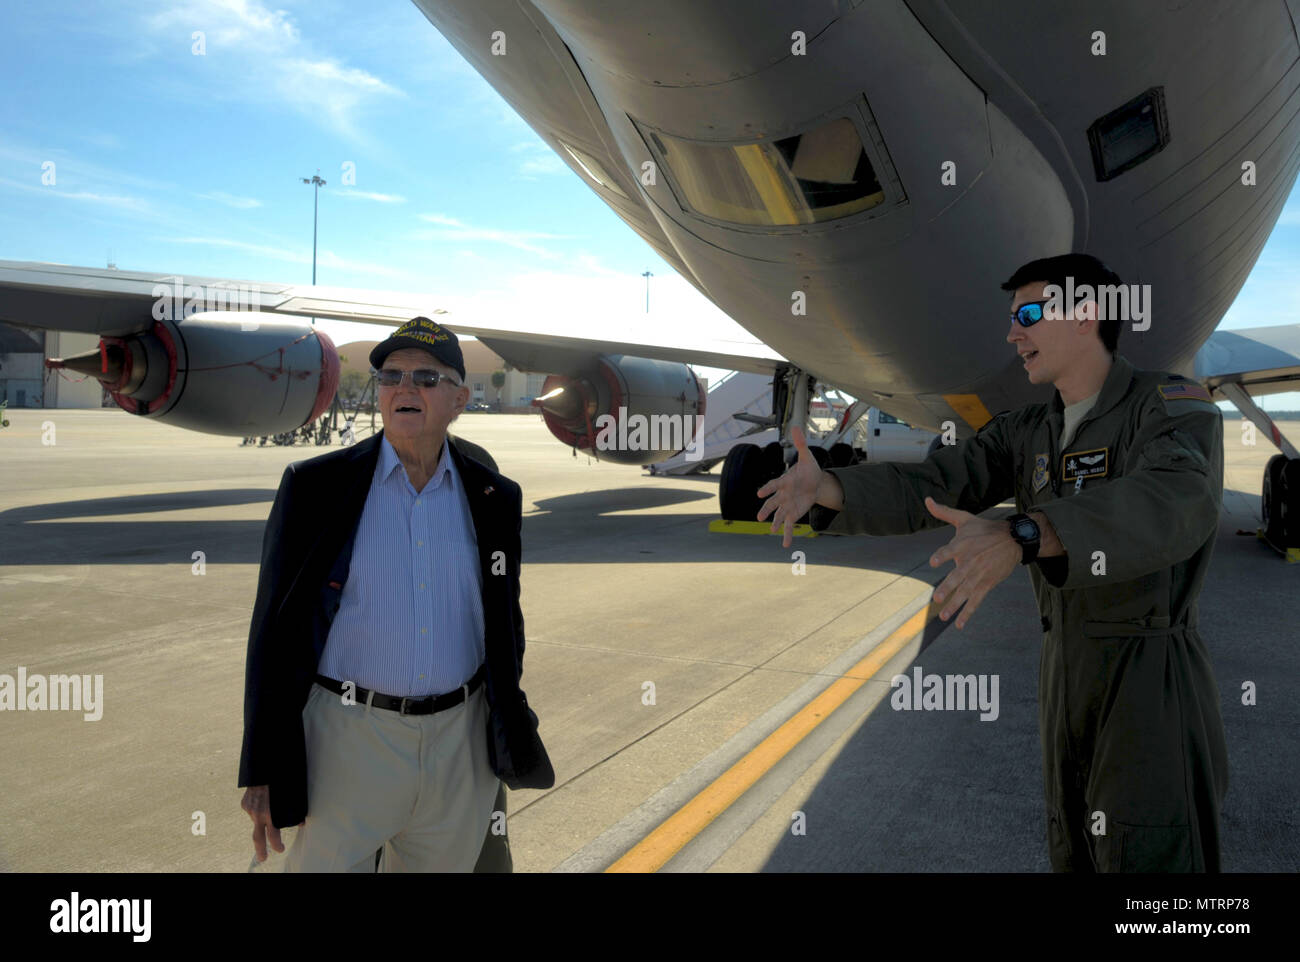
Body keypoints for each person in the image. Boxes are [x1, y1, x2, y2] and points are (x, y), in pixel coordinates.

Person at [757, 253, 1229, 872]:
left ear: (1087, 315)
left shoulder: (1169, 406)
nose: (1013, 334)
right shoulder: (1028, 429)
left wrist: (1026, 533)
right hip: (1063, 674)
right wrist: (831, 490)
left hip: (1150, 682)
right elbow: (935, 482)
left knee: (1156, 865)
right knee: (1077, 849)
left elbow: (1177, 499)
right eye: (1012, 318)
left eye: (1029, 314)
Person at [238, 315, 553, 872]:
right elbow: (273, 630)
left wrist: (504, 721)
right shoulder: (315, 488)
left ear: (458, 399)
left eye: (427, 378)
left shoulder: (494, 496)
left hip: (460, 744)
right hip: (347, 741)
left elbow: (506, 623)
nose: (405, 387)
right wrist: (261, 766)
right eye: (391, 376)